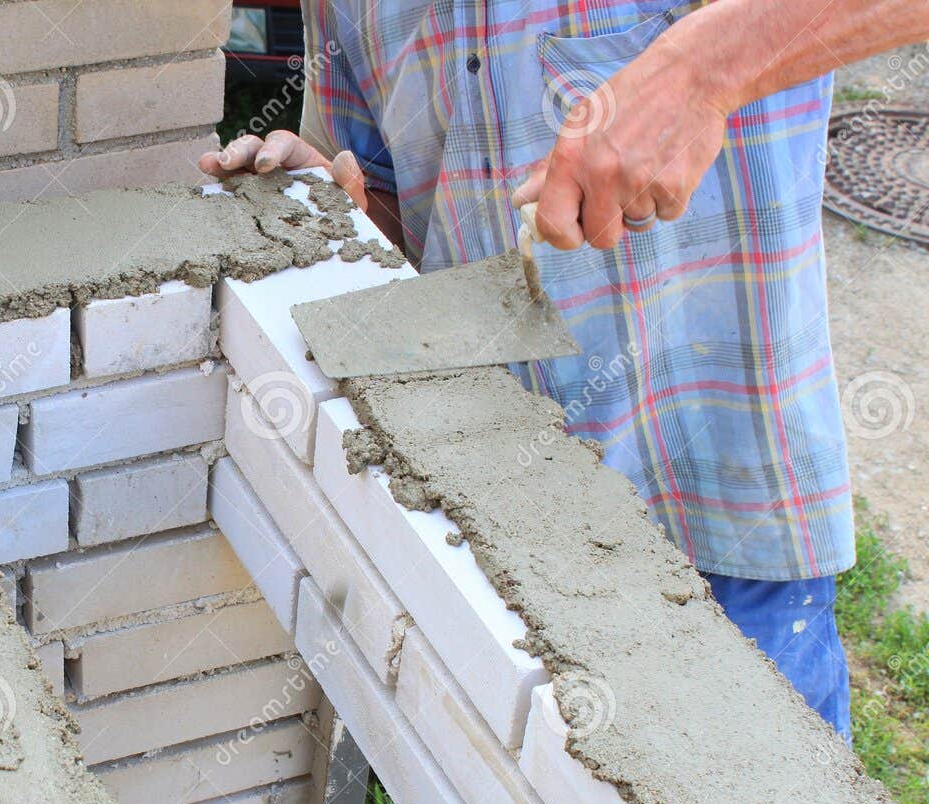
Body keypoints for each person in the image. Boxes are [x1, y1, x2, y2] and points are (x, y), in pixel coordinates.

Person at [204, 0, 929, 742]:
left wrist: (697, 75)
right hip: (499, 546)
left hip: (721, 529)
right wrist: (335, 209)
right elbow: (400, 201)